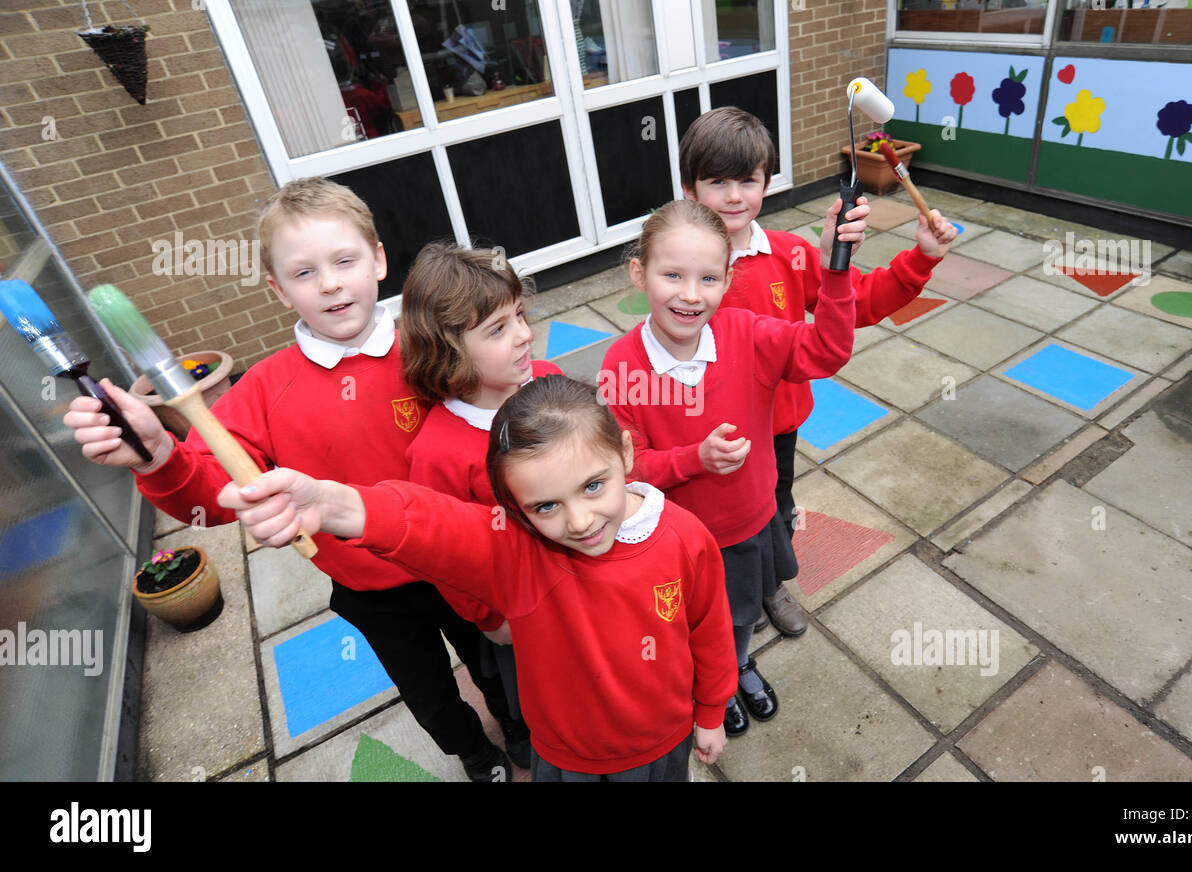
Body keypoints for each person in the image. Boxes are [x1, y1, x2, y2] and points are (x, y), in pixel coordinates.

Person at [61, 178, 518, 782]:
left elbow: (503, 406)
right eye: (303, 274)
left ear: (379, 260)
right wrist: (155, 459)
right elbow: (211, 491)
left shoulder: (430, 343)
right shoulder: (262, 392)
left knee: (495, 661)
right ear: (278, 291)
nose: (329, 283)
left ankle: (519, 729)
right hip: (368, 584)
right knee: (429, 690)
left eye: (344, 261)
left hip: (460, 553)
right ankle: (475, 754)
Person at [217, 376, 738, 782]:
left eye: (594, 485)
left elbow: (710, 629)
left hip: (662, 740)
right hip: (563, 751)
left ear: (625, 454)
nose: (579, 521)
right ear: (513, 507)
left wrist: (711, 711)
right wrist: (333, 504)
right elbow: (432, 525)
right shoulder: (519, 551)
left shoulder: (685, 537)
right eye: (546, 505)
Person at [678, 107, 958, 636]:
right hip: (706, 429)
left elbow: (859, 303)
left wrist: (916, 259)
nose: (734, 196)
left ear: (766, 183)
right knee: (713, 522)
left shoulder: (791, 255)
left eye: (748, 180)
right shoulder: (680, 266)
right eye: (717, 182)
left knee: (776, 509)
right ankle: (727, 596)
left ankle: (769, 587)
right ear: (690, 189)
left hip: (777, 425)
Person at [598, 198, 858, 739]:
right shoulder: (621, 364)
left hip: (747, 526)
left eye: (708, 278)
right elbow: (627, 470)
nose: (691, 295)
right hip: (675, 540)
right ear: (638, 273)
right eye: (672, 275)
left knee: (738, 618)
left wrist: (836, 267)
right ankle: (703, 687)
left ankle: (736, 668)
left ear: (727, 278)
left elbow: (828, 351)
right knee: (684, 624)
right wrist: (696, 459)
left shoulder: (750, 334)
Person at [399, 241, 563, 766]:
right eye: (497, 329)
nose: (523, 334)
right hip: (517, 612)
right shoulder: (437, 451)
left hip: (579, 578)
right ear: (447, 349)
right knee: (546, 703)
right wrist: (489, 618)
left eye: (518, 314)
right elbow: (442, 551)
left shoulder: (552, 380)